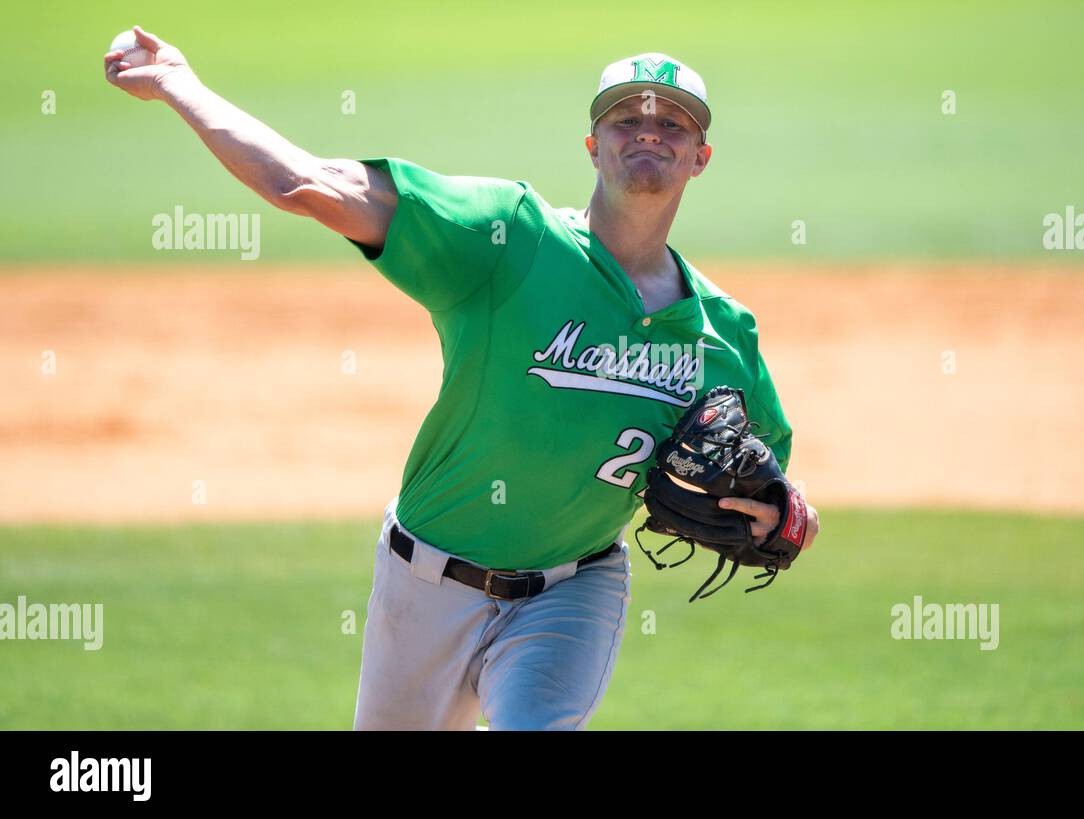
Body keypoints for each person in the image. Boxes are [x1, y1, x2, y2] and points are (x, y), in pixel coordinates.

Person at [105, 27, 820, 730]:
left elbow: (768, 479)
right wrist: (177, 84)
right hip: (426, 584)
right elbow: (305, 183)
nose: (648, 131)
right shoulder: (508, 238)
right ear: (592, 145)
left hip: (576, 588)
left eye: (673, 123)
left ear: (701, 157)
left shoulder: (724, 335)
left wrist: (787, 513)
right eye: (625, 117)